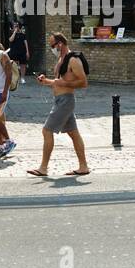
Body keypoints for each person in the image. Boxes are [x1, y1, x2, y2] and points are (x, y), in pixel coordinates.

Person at [27, 32, 89, 177]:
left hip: (66, 101)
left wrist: (63, 83)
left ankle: (43, 168)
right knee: (73, 133)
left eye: (52, 45)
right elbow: (58, 82)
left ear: (60, 44)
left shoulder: (73, 60)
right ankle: (83, 166)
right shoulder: (62, 59)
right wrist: (46, 81)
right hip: (60, 100)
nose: (51, 48)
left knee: (46, 131)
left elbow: (83, 82)